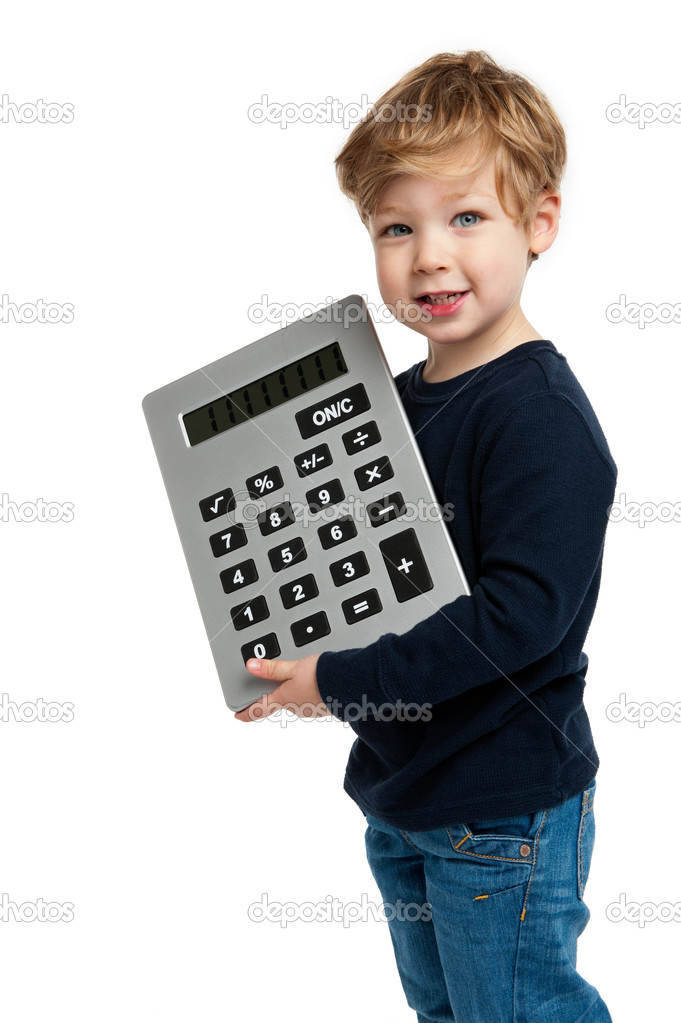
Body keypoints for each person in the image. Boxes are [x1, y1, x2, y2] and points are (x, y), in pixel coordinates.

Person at [237, 50, 616, 1022]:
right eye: (396, 227)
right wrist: (289, 667)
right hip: (409, 796)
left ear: (540, 224)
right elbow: (355, 561)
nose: (430, 255)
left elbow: (517, 619)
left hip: (502, 810)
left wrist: (348, 680)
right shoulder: (392, 409)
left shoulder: (539, 417)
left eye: (466, 218)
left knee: (521, 1013)